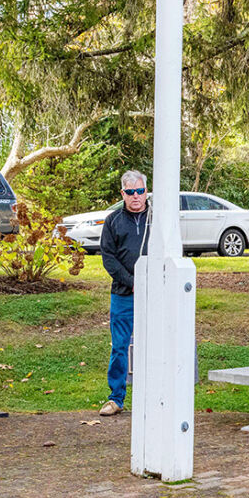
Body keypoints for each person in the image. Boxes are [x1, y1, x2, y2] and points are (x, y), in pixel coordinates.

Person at [97, 169, 149, 417]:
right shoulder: (113, 221)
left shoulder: (157, 219)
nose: (136, 196)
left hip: (155, 295)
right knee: (119, 346)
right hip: (123, 294)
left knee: (156, 345)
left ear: (146, 191)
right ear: (123, 194)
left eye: (140, 191)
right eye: (130, 192)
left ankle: (154, 396)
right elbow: (109, 258)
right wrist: (132, 282)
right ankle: (116, 398)